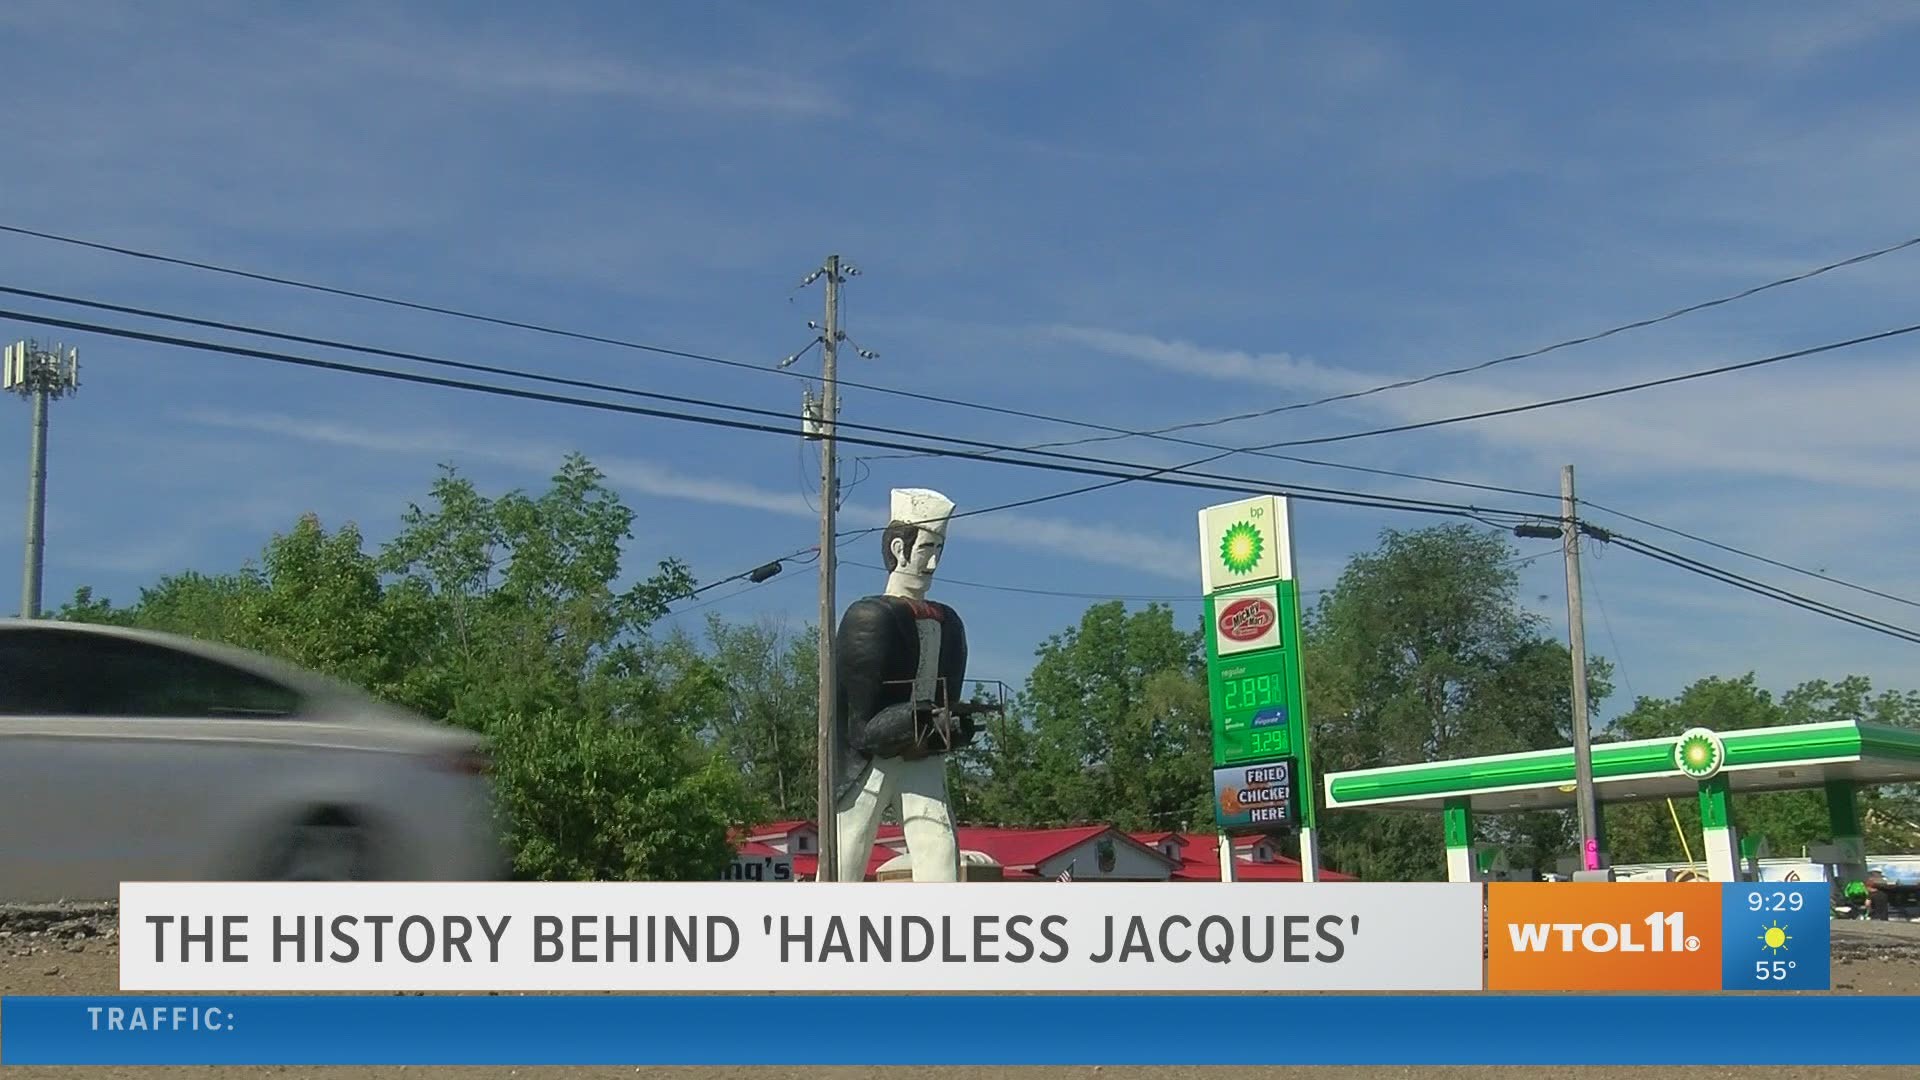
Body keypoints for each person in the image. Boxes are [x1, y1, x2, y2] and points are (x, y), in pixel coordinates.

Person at [829, 488, 976, 883]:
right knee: (849, 843)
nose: (931, 562)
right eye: (926, 548)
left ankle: (944, 929)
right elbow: (861, 724)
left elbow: (951, 695)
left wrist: (952, 725)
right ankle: (828, 923)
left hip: (923, 750)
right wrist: (914, 718)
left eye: (938, 550)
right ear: (898, 548)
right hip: (871, 760)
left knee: (939, 843)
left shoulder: (949, 622)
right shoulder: (869, 617)